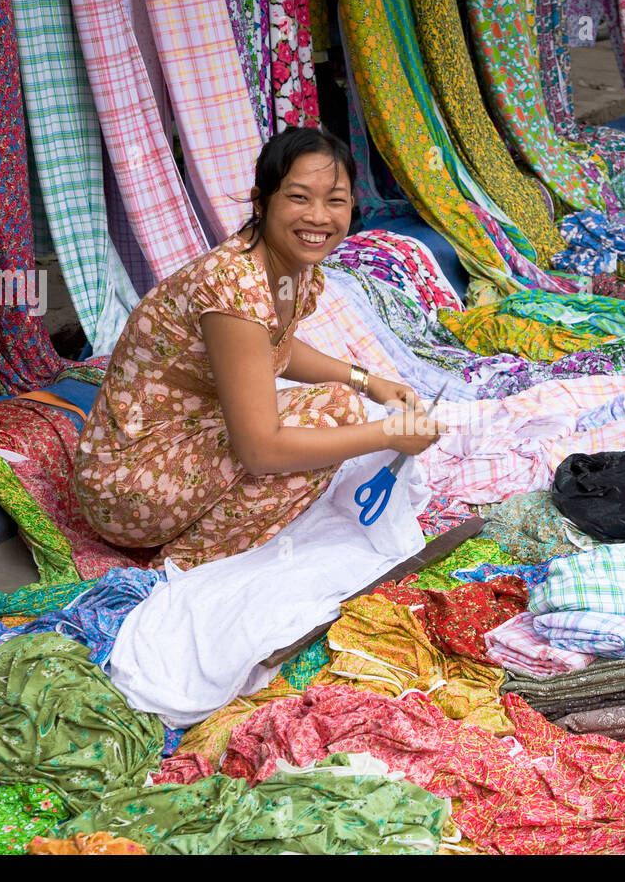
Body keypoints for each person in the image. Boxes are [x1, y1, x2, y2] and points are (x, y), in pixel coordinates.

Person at [73, 127, 443, 570]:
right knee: (307, 441)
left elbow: (275, 347)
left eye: (336, 200)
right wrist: (387, 435)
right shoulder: (234, 284)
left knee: (341, 404)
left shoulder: (289, 265)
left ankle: (205, 529)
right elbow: (260, 451)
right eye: (299, 197)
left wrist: (368, 381)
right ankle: (185, 563)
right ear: (261, 201)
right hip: (126, 483)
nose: (319, 217)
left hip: (187, 438)